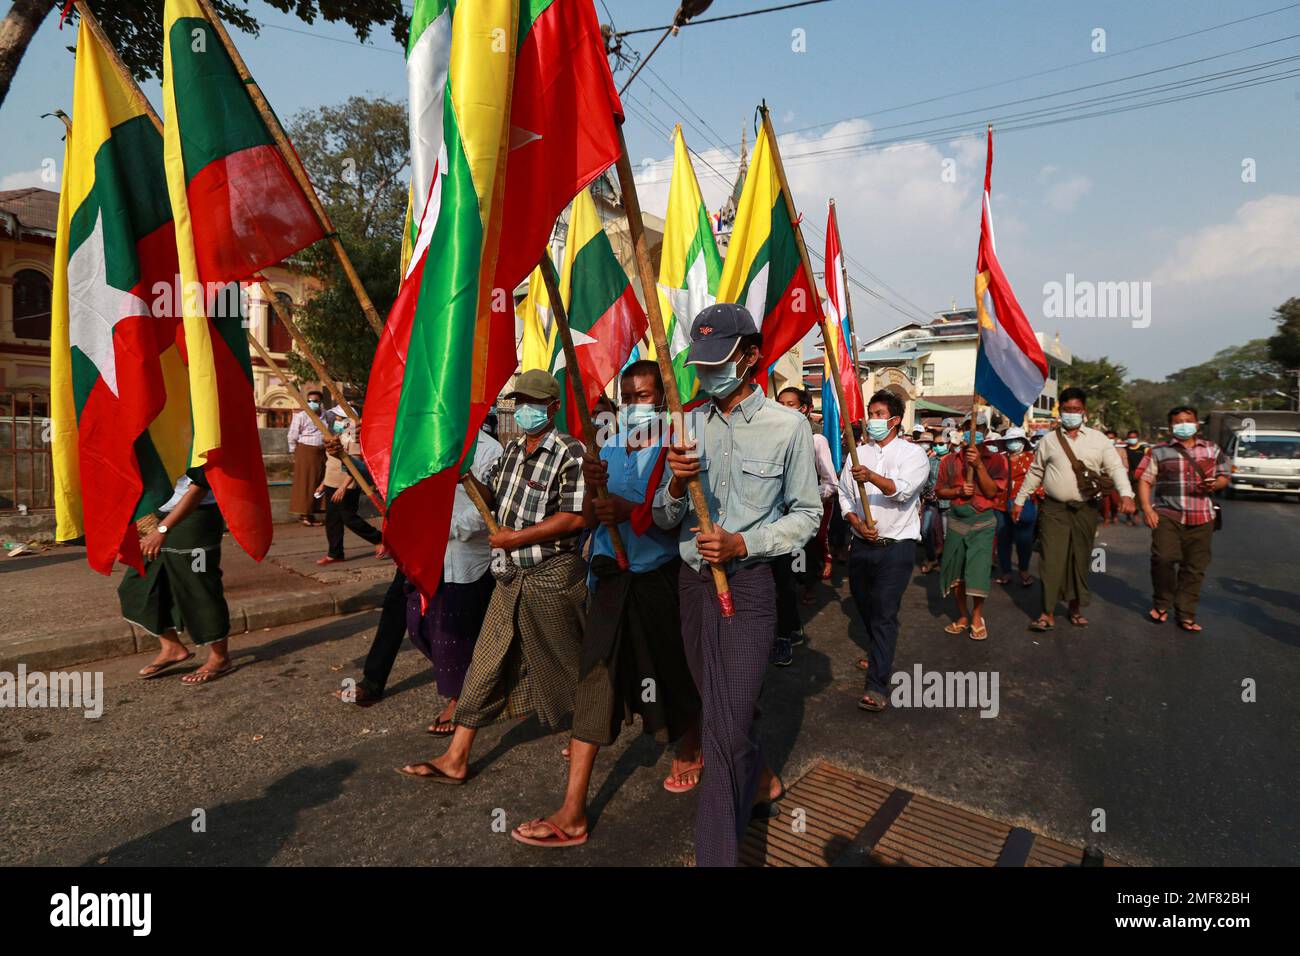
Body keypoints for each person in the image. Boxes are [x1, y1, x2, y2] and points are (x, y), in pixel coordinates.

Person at [652, 303, 821, 868]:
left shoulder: (788, 426)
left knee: (720, 734)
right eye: (699, 364)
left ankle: (716, 855)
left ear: (750, 357)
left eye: (719, 361)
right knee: (723, 706)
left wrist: (744, 544)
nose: (707, 375)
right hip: (693, 587)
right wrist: (676, 488)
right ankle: (761, 779)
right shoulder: (686, 423)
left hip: (747, 591)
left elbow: (807, 515)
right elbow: (660, 516)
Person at [512, 361, 702, 848]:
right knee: (594, 676)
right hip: (610, 574)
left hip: (659, 575)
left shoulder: (678, 443)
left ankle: (690, 742)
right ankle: (573, 809)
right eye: (629, 395)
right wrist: (597, 502)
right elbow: (586, 512)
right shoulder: (607, 444)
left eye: (646, 395)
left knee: (671, 668)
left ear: (661, 397)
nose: (637, 403)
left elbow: (682, 514)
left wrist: (632, 512)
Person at [398, 369, 586, 783]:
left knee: (567, 662)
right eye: (520, 403)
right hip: (509, 577)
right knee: (484, 664)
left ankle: (588, 732)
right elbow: (491, 497)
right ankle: (457, 756)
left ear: (553, 407)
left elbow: (574, 518)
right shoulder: (512, 450)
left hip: (550, 576)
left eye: (534, 404)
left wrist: (518, 538)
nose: (525, 410)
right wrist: (465, 476)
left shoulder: (570, 452)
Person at [336, 426, 503, 711]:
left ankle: (461, 698)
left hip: (462, 557)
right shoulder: (424, 439)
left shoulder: (489, 449)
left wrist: (442, 530)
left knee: (456, 629)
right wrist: (348, 455)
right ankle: (374, 681)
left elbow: (491, 508)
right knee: (409, 618)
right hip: (419, 551)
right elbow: (390, 478)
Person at [838, 390, 931, 710]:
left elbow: (903, 492)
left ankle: (877, 684)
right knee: (866, 605)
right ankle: (878, 648)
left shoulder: (913, 455)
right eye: (871, 412)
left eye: (879, 414)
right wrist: (855, 521)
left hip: (897, 547)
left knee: (885, 611)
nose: (873, 419)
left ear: (895, 419)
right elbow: (844, 495)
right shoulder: (856, 453)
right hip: (862, 543)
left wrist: (873, 477)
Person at [1013, 387, 1134, 630]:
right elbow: (1036, 471)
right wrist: (1020, 499)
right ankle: (1046, 613)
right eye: (1067, 410)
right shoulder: (1049, 440)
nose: (1071, 414)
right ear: (1060, 412)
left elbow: (1116, 469)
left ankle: (1075, 608)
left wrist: (1127, 494)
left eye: (1076, 410)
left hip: (1086, 510)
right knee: (1051, 560)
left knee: (1079, 560)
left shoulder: (1099, 440)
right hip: (1054, 510)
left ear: (1084, 412)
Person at [125, 466, 234, 684]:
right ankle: (172, 647)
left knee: (200, 585)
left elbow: (200, 486)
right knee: (137, 586)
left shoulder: (201, 436)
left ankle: (219, 657)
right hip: (161, 519)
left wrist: (162, 530)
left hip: (196, 522)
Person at [1136, 406, 1229, 632]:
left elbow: (1225, 476)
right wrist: (1147, 509)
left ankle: (1186, 613)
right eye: (1178, 422)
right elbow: (1145, 480)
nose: (1184, 425)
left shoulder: (1212, 449)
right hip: (1168, 514)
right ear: (1170, 427)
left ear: (1197, 424)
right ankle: (1162, 602)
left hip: (1203, 516)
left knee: (1194, 567)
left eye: (1188, 420)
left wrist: (1216, 484)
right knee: (1163, 558)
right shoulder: (1158, 451)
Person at [769, 386, 835, 665]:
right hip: (770, 521)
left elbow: (830, 483)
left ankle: (784, 638)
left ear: (805, 408)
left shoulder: (816, 440)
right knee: (778, 580)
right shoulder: (768, 436)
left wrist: (804, 496)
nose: (785, 408)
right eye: (781, 403)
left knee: (785, 582)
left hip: (794, 521)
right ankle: (792, 627)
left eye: (792, 404)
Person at [935, 413, 1007, 641]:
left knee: (977, 572)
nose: (972, 430)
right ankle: (963, 616)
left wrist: (978, 465)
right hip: (956, 522)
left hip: (983, 523)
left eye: (978, 427)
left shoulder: (997, 461)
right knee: (956, 572)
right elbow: (939, 491)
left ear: (986, 432)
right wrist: (958, 491)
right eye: (968, 426)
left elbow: (992, 491)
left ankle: (977, 617)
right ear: (962, 429)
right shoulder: (949, 460)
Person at [315, 417, 384, 566]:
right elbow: (330, 463)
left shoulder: (353, 439)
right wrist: (322, 484)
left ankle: (378, 538)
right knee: (332, 520)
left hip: (346, 484)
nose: (337, 421)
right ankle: (335, 553)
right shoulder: (335, 437)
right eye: (336, 419)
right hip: (330, 482)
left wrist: (343, 487)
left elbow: (354, 465)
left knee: (349, 517)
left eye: (341, 419)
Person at [994, 426, 1039, 587]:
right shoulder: (999, 458)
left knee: (1024, 540)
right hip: (1000, 503)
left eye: (1017, 440)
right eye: (1010, 440)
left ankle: (1024, 570)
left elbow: (1039, 479)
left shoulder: (1032, 459)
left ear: (1023, 442)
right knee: (1003, 539)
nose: (1013, 443)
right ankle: (1006, 571)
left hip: (1024, 503)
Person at [288, 390, 326, 526]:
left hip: (322, 452)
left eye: (315, 401)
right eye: (309, 401)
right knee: (305, 482)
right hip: (306, 451)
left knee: (319, 481)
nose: (312, 404)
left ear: (321, 402)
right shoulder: (301, 416)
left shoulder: (326, 416)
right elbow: (292, 436)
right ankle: (304, 514)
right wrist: (295, 453)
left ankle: (313, 513)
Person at [917, 431, 944, 574]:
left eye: (942, 444)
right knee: (925, 530)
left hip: (948, 503)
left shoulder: (954, 461)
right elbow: (924, 481)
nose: (938, 446)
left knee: (946, 534)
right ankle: (932, 558)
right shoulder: (931, 461)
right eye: (936, 444)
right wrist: (926, 494)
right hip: (931, 502)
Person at [1122, 429, 1147, 526]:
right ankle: (1128, 516)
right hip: (1127, 476)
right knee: (1128, 496)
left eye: (1134, 437)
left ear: (1137, 438)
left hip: (1140, 476)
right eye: (1130, 438)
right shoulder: (1124, 450)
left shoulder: (1143, 449)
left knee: (1139, 496)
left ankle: (1136, 514)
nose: (1132, 439)